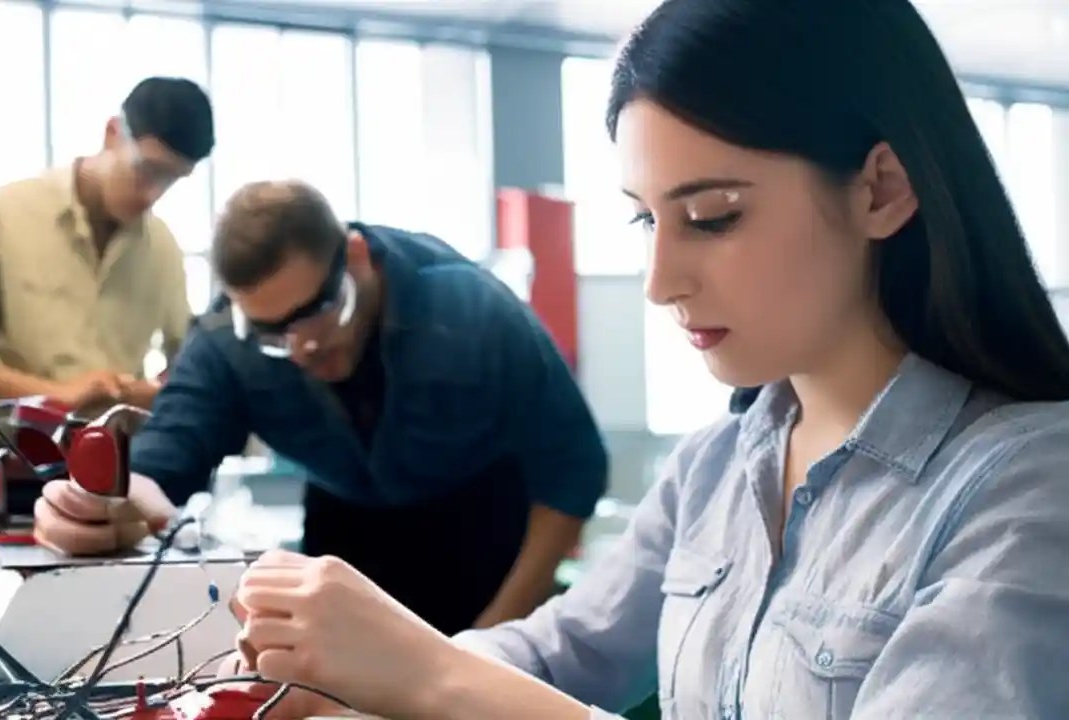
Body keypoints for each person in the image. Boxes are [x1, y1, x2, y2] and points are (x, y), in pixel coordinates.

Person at [220, 0, 1069, 718]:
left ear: (880, 189)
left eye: (712, 217)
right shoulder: (715, 468)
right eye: (644, 221)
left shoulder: (1029, 487)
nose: (660, 282)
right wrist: (351, 685)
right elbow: (562, 652)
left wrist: (432, 674)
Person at [33, 179, 609, 635]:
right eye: (272, 332)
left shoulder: (467, 307)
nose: (301, 347)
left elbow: (574, 470)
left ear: (354, 256)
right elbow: (163, 463)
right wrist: (104, 509)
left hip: (484, 534)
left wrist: (496, 637)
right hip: (348, 538)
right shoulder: (225, 340)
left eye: (316, 312)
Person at [0, 76, 212, 453]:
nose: (153, 192)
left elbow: (187, 361)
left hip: (118, 467)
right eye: (148, 169)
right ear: (112, 133)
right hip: (13, 463)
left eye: (172, 179)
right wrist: (60, 397)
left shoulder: (164, 248)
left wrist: (149, 394)